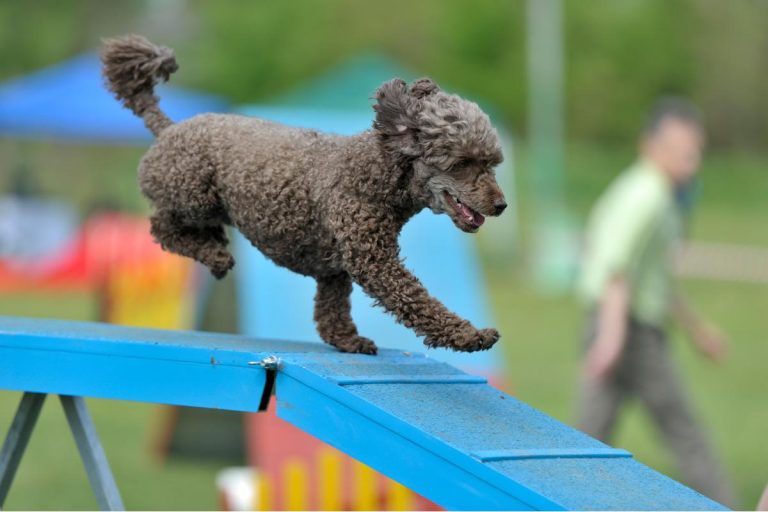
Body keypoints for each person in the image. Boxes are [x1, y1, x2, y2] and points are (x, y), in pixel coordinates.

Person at [575, 98, 734, 506]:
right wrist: (612, 338)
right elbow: (615, 267)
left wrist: (698, 331)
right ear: (651, 145)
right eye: (682, 152)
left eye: (696, 152)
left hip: (619, 322)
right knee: (683, 430)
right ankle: (721, 503)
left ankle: (559, 498)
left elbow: (655, 277)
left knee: (587, 437)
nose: (692, 162)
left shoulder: (648, 189)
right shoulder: (648, 195)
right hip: (630, 331)